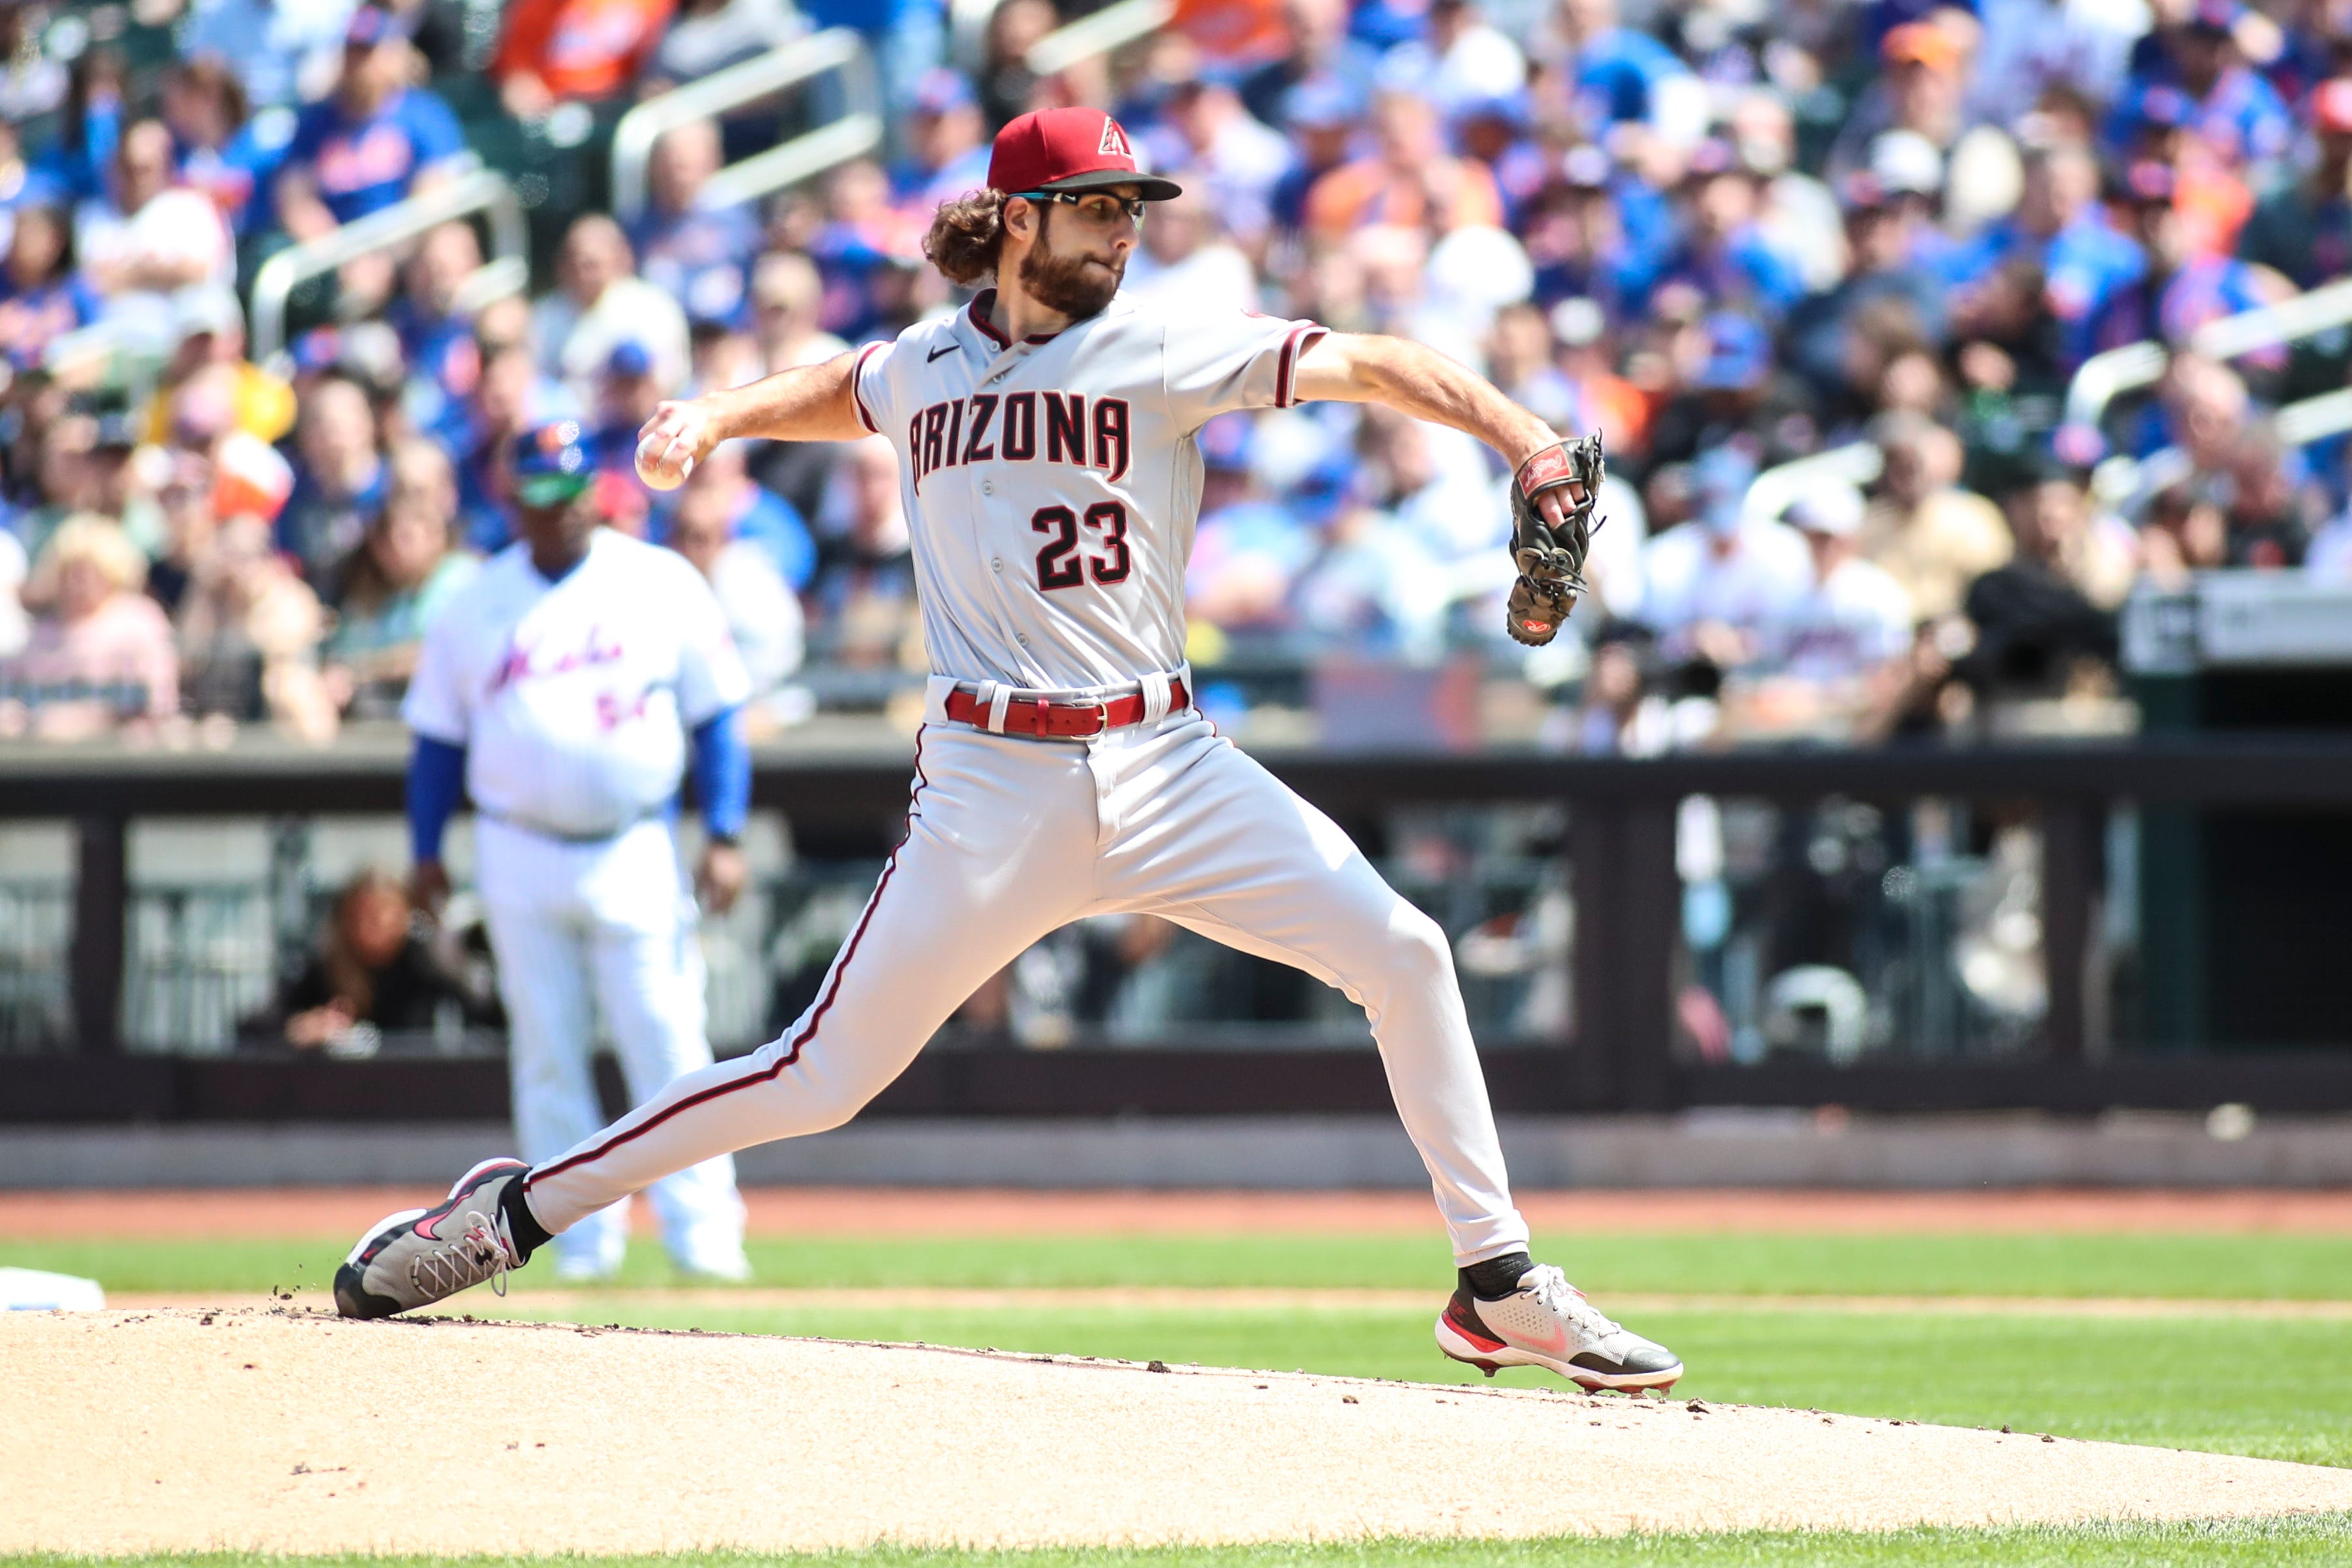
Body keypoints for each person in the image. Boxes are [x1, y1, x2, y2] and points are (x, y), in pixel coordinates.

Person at [334, 107, 1684, 1399]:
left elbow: (1371, 361)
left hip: (1168, 759)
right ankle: (513, 1211)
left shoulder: (1156, 348)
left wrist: (1525, 435)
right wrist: (722, 414)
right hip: (992, 785)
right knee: (816, 1076)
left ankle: (1494, 1275)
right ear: (1023, 220)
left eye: (1132, 207)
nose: (1125, 231)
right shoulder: (928, 363)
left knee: (1407, 952)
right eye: (1098, 208)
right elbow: (844, 386)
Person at [386, 419, 755, 1283]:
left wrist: (727, 831)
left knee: (667, 1044)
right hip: (518, 845)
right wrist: (427, 849)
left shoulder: (657, 580)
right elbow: (437, 741)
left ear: (596, 489)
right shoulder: (475, 602)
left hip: (635, 842)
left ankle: (706, 1239)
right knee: (547, 1052)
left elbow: (718, 717)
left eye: (572, 490)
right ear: (513, 499)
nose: (561, 510)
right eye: (541, 495)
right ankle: (580, 1242)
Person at [249, 869, 490, 1052]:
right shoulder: (326, 969)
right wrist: (301, 1027)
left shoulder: (424, 964)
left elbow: (484, 1017)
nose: (378, 925)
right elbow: (255, 1026)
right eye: (366, 915)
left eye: (387, 914)